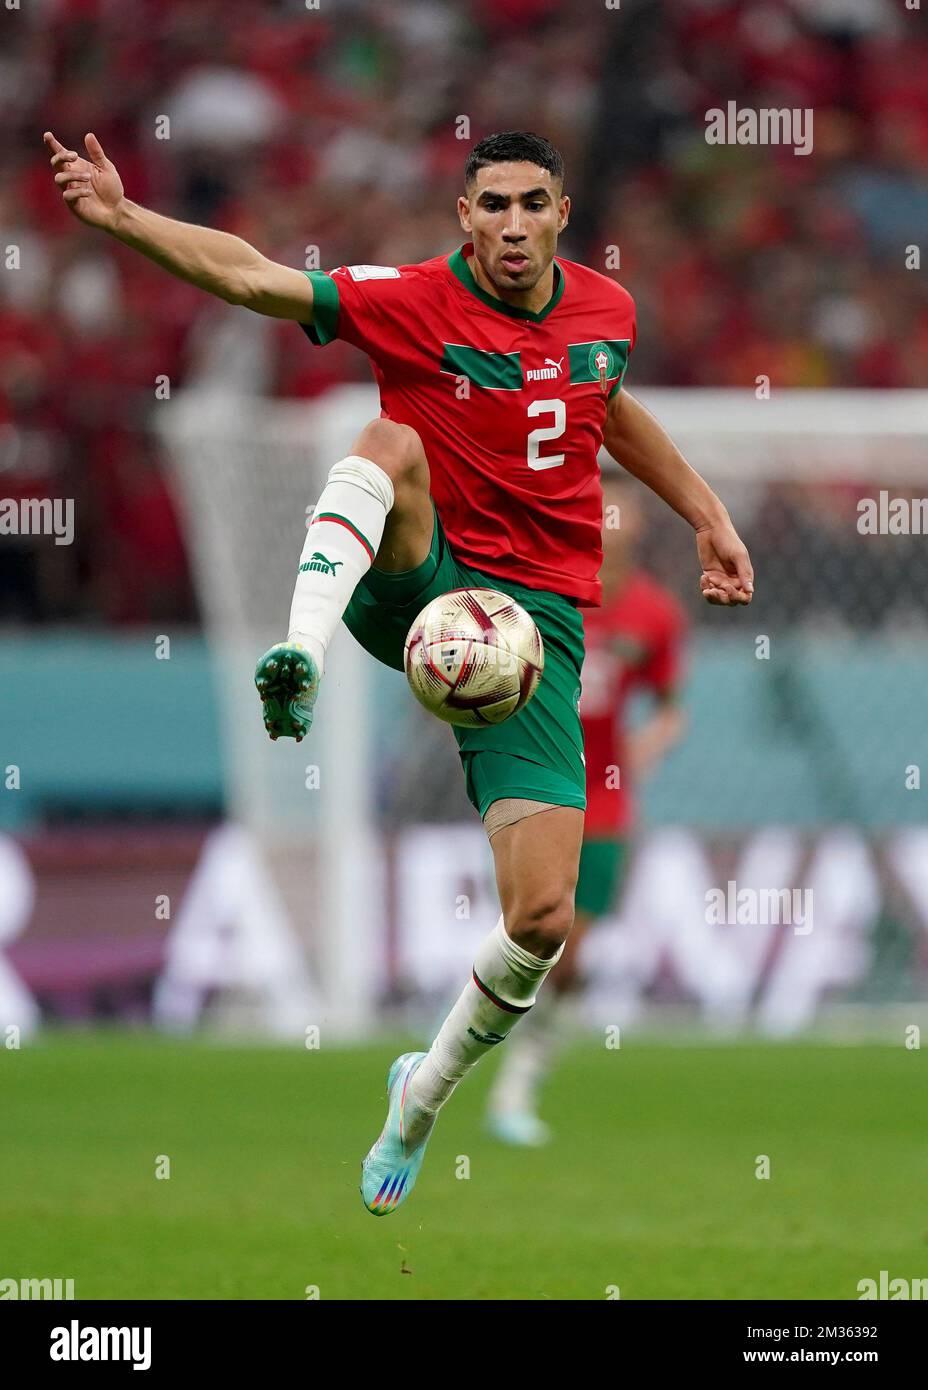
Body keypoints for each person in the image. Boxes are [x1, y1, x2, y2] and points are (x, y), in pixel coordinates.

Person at [45, 126, 754, 1216]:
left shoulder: (603, 317)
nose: (511, 223)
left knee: (542, 918)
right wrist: (126, 217)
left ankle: (418, 1095)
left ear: (563, 216)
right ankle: (300, 646)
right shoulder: (413, 300)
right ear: (462, 218)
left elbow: (606, 406)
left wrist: (705, 513)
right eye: (491, 205)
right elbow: (252, 278)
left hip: (534, 637)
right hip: (423, 587)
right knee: (387, 443)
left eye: (531, 204)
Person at [487, 472, 688, 1145]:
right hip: (538, 776)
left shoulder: (655, 614)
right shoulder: (546, 590)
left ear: (638, 521)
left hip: (603, 795)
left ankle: (519, 1078)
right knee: (531, 933)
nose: (610, 517)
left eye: (621, 507)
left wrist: (649, 743)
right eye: (599, 505)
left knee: (569, 953)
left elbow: (670, 708)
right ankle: (473, 1046)